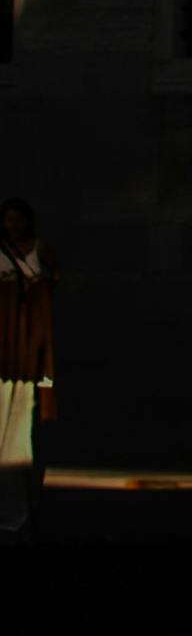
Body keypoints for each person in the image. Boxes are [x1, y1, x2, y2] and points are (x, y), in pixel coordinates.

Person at [0, 201, 52, 543]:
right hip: (4, 346)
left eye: (19, 220)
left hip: (25, 352)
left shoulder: (38, 250)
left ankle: (16, 510)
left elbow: (49, 284)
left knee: (20, 430)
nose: (14, 226)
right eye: (9, 221)